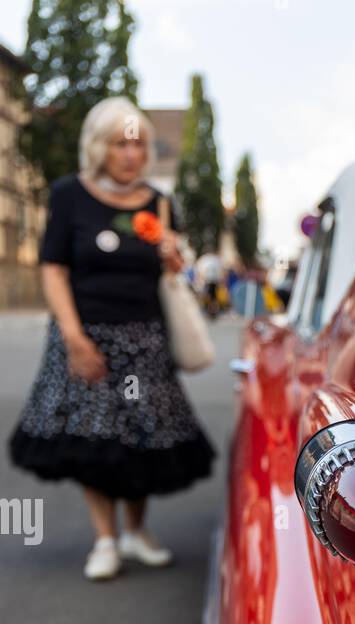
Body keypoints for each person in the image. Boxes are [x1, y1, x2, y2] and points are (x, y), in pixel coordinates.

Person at [9, 97, 215, 580]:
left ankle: (135, 532)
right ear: (98, 147)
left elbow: (174, 276)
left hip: (145, 342)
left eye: (139, 144)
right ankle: (105, 538)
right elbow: (54, 269)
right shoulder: (69, 195)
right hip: (88, 338)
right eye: (120, 144)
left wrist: (173, 258)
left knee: (142, 440)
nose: (131, 153)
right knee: (95, 439)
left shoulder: (159, 203)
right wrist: (74, 338)